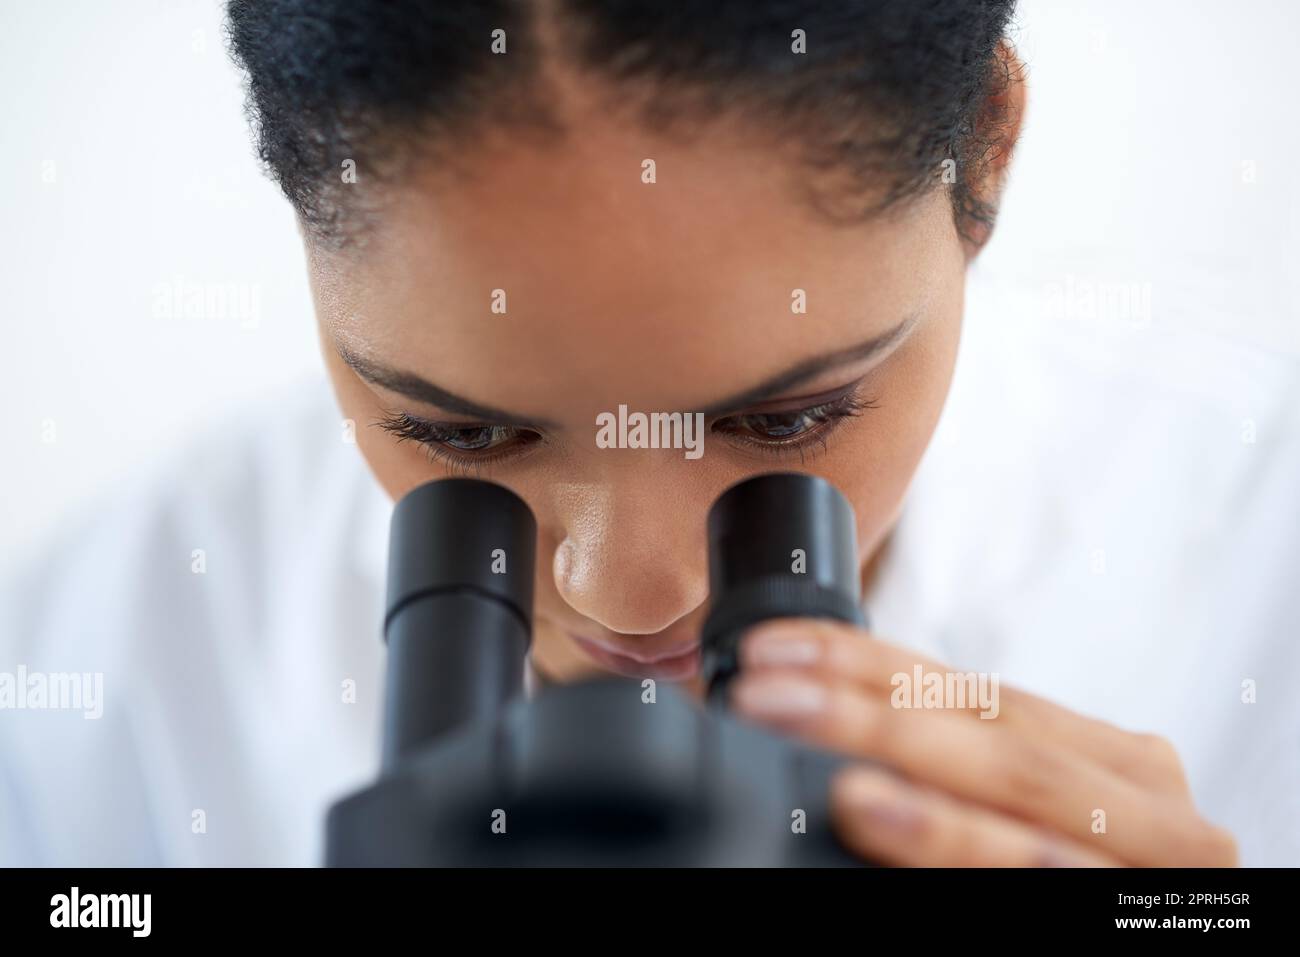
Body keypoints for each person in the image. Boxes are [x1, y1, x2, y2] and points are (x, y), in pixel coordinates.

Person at [2, 0, 1296, 866]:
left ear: (986, 153)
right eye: (458, 433)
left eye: (788, 416)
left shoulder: (1259, 568)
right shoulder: (96, 666)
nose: (631, 595)